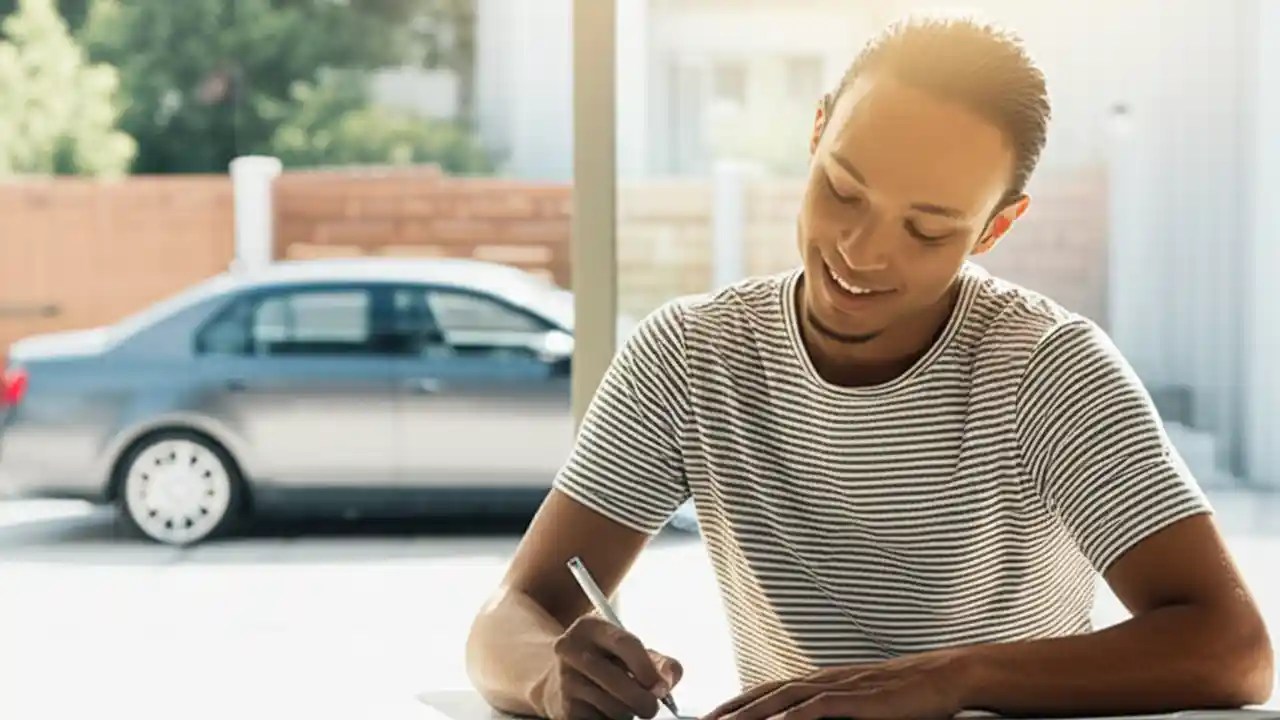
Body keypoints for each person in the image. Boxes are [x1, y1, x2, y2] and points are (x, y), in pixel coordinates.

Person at [465, 16, 1274, 720]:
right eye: (844, 191)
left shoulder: (1047, 368)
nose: (861, 252)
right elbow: (512, 613)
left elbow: (1233, 648)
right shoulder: (691, 355)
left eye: (927, 231)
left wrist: (953, 680)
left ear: (995, 229)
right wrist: (550, 676)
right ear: (818, 132)